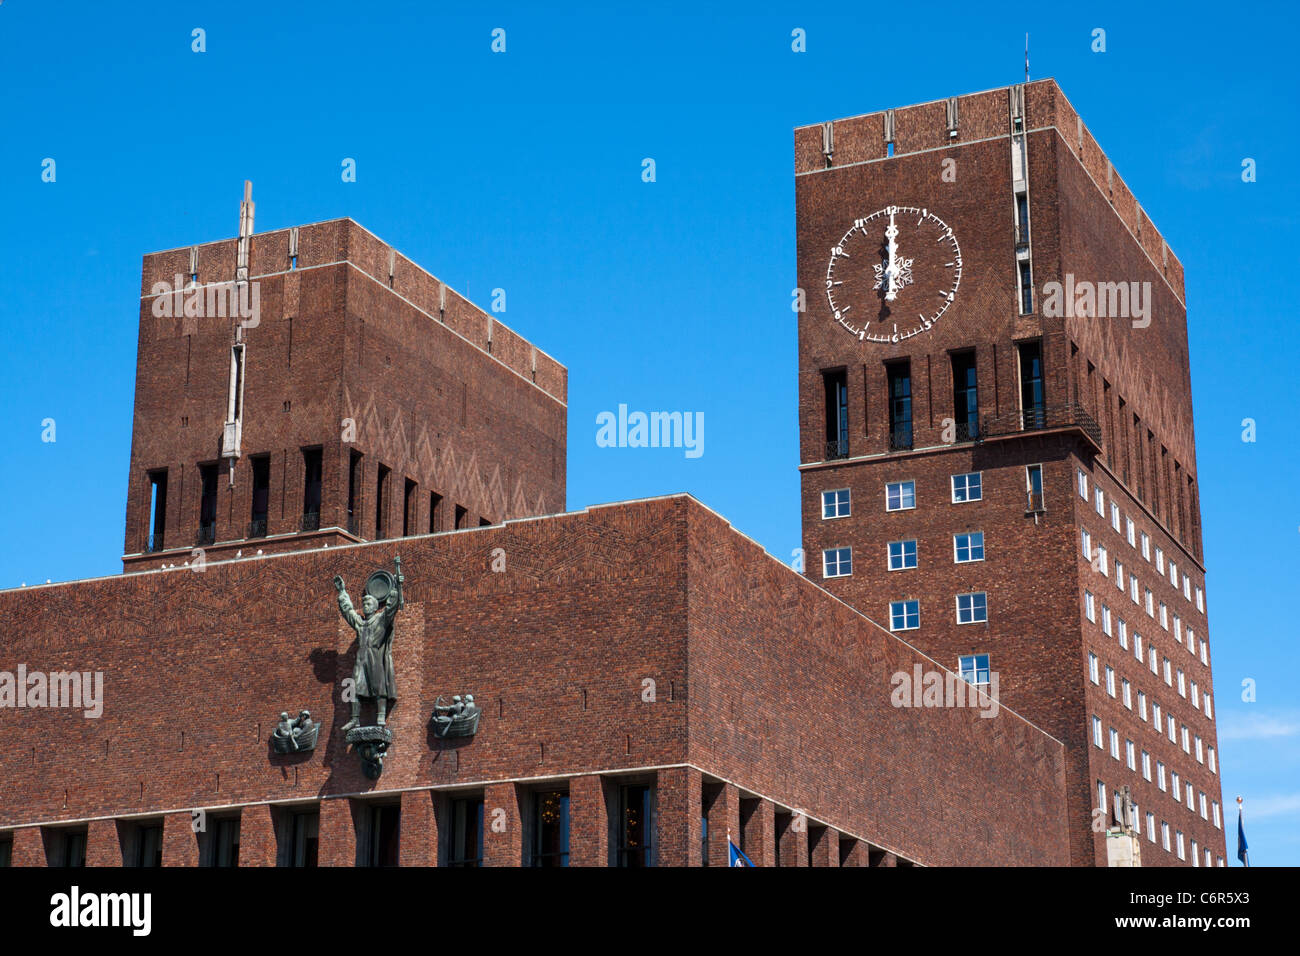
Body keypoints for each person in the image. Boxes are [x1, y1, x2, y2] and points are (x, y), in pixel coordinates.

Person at [335, 556, 403, 731]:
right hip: (361, 658)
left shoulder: (380, 620)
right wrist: (342, 592)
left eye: (369, 604)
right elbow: (348, 612)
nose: (365, 606)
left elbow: (391, 609)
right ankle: (355, 718)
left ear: (375, 607)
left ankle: (380, 716)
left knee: (378, 685)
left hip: (375, 657)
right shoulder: (360, 623)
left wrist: (395, 587)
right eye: (364, 604)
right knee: (352, 686)